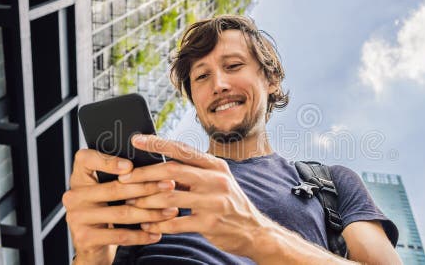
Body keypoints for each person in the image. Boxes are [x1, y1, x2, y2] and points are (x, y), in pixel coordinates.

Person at [63, 15, 402, 264]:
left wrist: (256, 234)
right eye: (202, 76)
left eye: (233, 65)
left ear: (271, 80)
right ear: (195, 101)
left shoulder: (330, 183)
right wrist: (92, 253)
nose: (218, 84)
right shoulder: (156, 183)